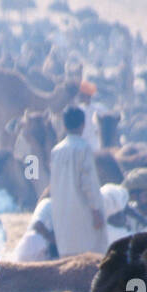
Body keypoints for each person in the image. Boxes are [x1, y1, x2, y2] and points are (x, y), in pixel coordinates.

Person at [48, 105, 106, 255]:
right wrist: (95, 211)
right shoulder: (83, 148)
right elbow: (87, 182)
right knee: (89, 257)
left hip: (62, 212)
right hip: (84, 212)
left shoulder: (56, 151)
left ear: (64, 125)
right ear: (83, 124)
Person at [10, 196, 57, 261]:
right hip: (34, 250)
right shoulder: (48, 203)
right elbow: (37, 225)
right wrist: (52, 238)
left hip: (41, 251)